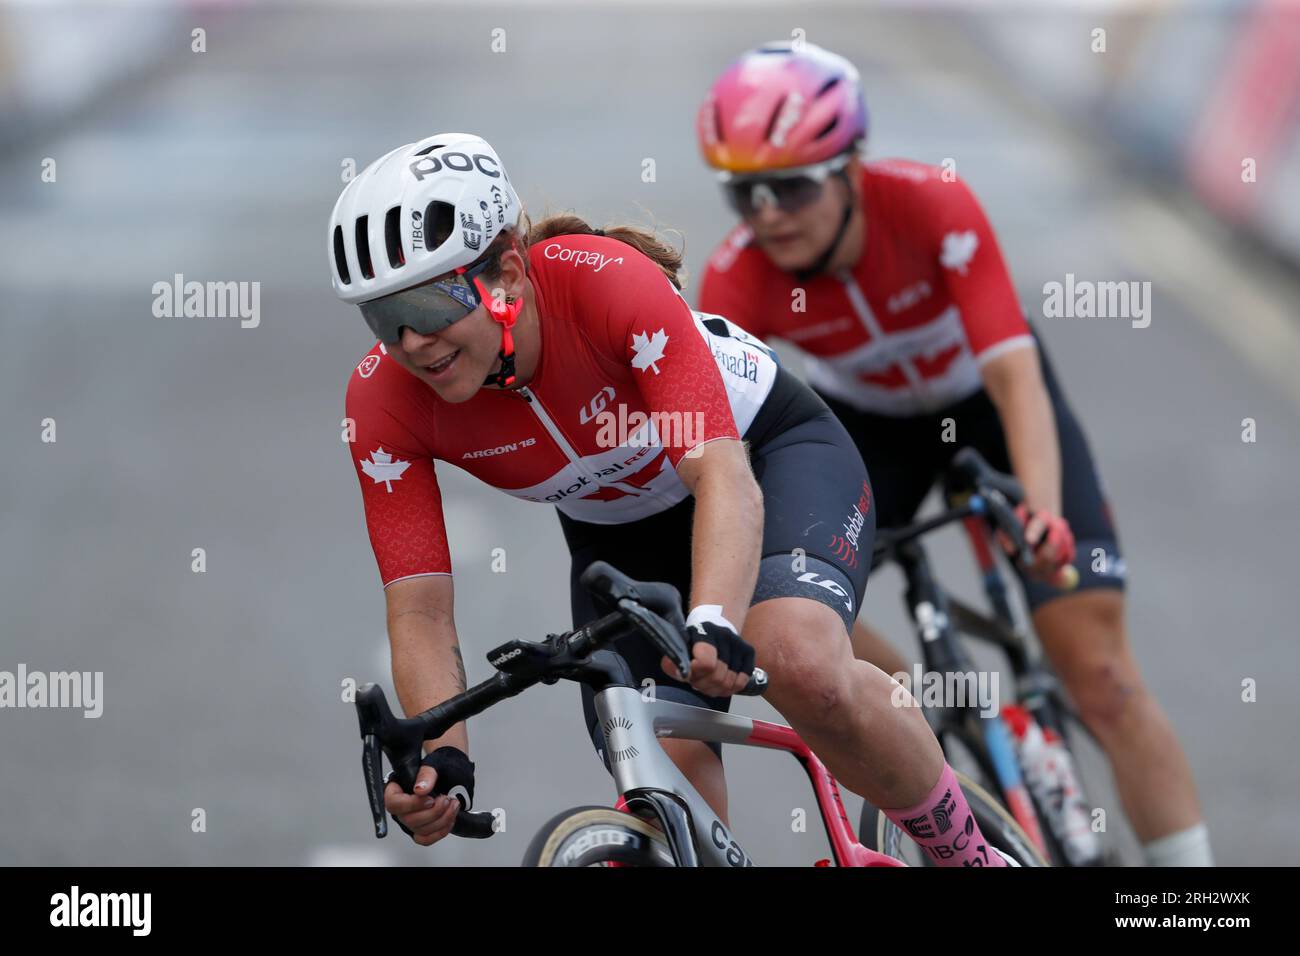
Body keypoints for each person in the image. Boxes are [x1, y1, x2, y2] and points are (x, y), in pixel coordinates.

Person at [330, 132, 1017, 864]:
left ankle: (969, 854)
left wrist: (715, 618)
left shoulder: (603, 285)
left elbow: (721, 474)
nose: (411, 341)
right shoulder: (383, 403)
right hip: (619, 538)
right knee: (657, 758)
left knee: (798, 662)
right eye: (382, 316)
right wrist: (444, 757)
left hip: (764, 458)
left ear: (505, 273)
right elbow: (420, 607)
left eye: (429, 303)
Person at [695, 42, 1212, 866]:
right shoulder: (740, 277)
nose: (767, 214)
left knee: (1102, 677)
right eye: (742, 192)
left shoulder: (930, 203)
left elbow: (1014, 378)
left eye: (789, 186)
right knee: (793, 611)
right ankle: (915, 717)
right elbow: (729, 450)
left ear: (851, 166)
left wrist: (1040, 512)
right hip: (870, 428)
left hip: (989, 406)